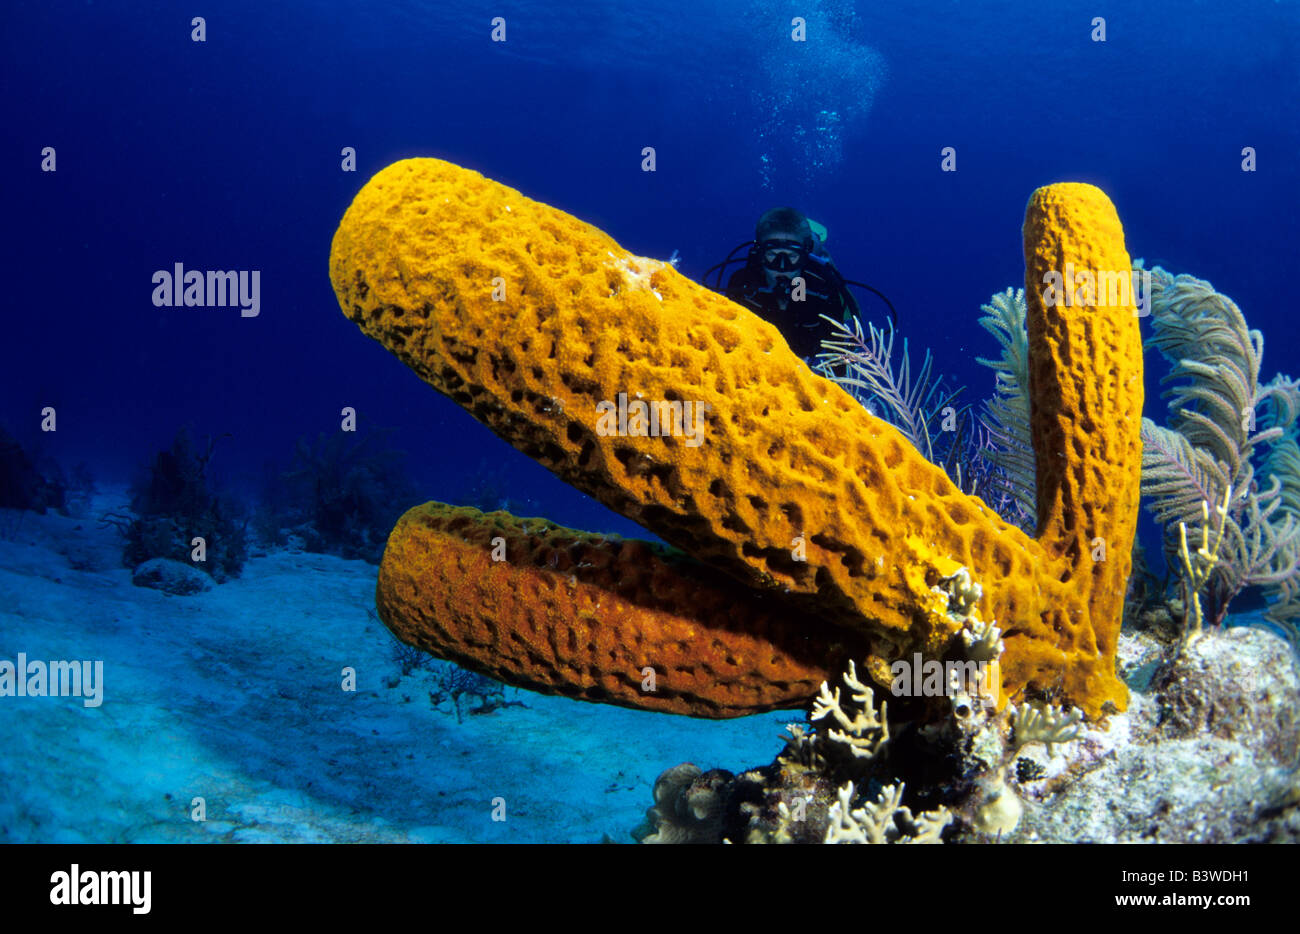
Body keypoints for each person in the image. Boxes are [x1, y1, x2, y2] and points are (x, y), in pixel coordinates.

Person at [722, 207, 861, 358]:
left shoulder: (822, 291)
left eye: (792, 256)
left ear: (803, 257)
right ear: (760, 254)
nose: (782, 267)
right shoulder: (743, 283)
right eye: (773, 255)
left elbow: (838, 351)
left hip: (802, 353)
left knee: (798, 296)